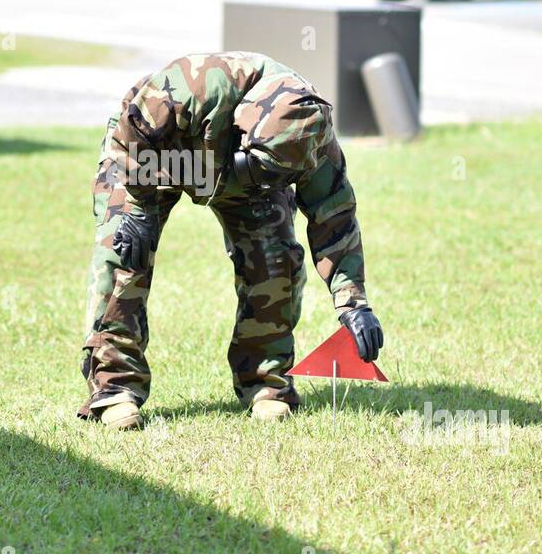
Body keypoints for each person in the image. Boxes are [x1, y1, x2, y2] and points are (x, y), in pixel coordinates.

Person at [78, 51, 383, 429]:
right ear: (247, 128)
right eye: (263, 166)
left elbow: (334, 218)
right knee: (124, 252)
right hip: (153, 155)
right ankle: (115, 388)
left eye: (278, 173)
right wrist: (139, 209)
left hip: (236, 170)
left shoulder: (309, 140)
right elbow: (135, 128)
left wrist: (353, 304)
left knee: (276, 259)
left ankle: (266, 384)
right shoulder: (196, 84)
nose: (269, 176)